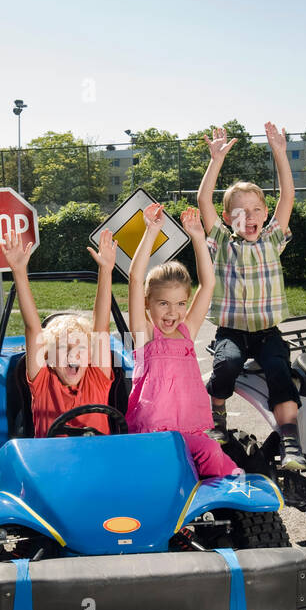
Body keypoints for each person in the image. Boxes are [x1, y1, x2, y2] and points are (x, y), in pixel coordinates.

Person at [197, 123, 306, 471]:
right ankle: (218, 419)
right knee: (226, 363)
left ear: (264, 213)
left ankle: (290, 441)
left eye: (257, 210)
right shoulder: (222, 242)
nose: (251, 217)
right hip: (231, 331)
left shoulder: (272, 239)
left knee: (278, 370)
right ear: (229, 218)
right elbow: (203, 200)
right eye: (241, 212)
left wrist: (279, 152)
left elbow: (288, 196)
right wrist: (215, 160)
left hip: (266, 332)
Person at [126, 203, 240, 479]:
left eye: (180, 304)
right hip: (153, 434)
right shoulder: (146, 334)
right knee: (171, 473)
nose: (172, 312)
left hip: (189, 431)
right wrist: (151, 231)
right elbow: (134, 277)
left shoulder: (187, 330)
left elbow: (208, 284)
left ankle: (217, 504)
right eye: (163, 303)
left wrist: (198, 238)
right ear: (147, 303)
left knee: (211, 452)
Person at [0, 225, 118, 437]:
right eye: (63, 347)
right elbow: (33, 328)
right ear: (48, 358)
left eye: (80, 346)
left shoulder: (96, 378)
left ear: (90, 356)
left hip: (98, 464)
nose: (73, 353)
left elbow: (102, 327)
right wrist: (18, 271)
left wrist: (106, 271)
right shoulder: (44, 382)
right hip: (50, 466)